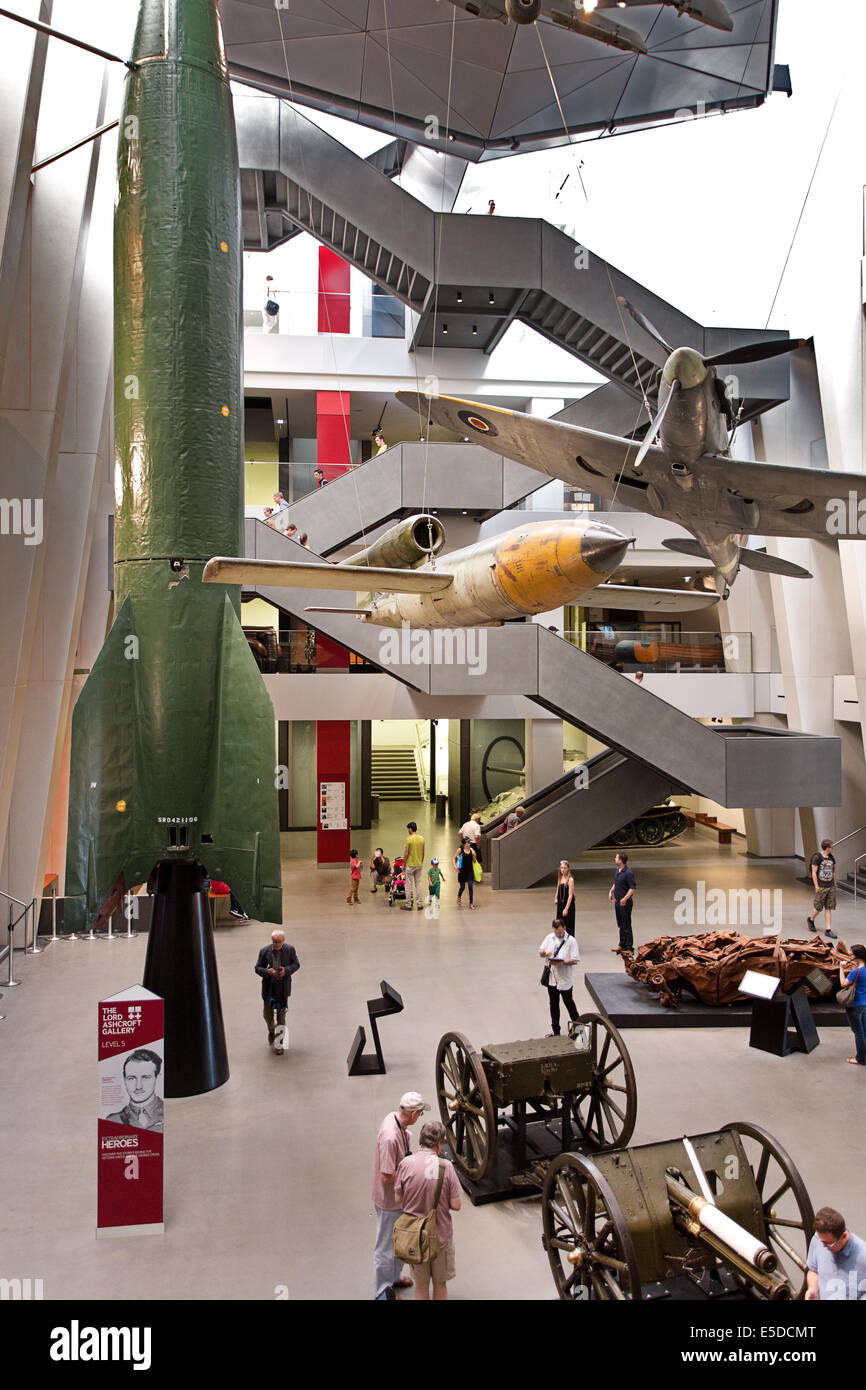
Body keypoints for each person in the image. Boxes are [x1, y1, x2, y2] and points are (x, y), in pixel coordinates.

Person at [394, 1119, 462, 1301]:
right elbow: (456, 1205)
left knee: (421, 1287)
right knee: (440, 1284)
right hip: (440, 1236)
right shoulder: (445, 1167)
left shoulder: (406, 1164)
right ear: (439, 1144)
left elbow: (398, 1200)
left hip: (415, 1238)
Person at [371, 1092, 430, 1300]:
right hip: (389, 1200)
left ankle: (394, 1277)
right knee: (386, 1245)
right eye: (420, 1113)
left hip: (399, 1198)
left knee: (399, 1240)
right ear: (413, 1114)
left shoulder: (395, 1121)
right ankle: (382, 1291)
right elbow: (386, 1176)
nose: (419, 1117)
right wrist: (410, 1171)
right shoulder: (390, 1137)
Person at [254, 929, 300, 1054]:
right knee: (267, 1015)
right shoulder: (264, 952)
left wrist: (286, 970)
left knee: (281, 1018)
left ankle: (279, 1044)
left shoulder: (290, 950)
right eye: (274, 942)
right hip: (269, 991)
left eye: (279, 942)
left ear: (283, 941)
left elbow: (296, 964)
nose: (276, 944)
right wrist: (266, 972)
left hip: (282, 991)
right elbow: (257, 968)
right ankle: (271, 1030)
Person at [806, 1207, 866, 1299]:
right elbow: (814, 1270)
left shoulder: (863, 1255)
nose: (823, 1246)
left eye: (829, 1243)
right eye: (821, 1241)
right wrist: (813, 1289)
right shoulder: (818, 1240)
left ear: (844, 1236)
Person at [539, 918, 580, 1036]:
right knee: (553, 1004)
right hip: (552, 979)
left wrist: (562, 962)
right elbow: (540, 952)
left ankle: (580, 1032)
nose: (558, 934)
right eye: (556, 932)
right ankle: (556, 1032)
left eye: (561, 932)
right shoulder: (549, 938)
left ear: (565, 928)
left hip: (565, 979)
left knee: (569, 1004)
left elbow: (575, 959)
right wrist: (545, 953)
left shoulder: (571, 941)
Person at [105, 1049, 164, 1131]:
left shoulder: (171, 1111)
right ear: (124, 1080)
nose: (138, 1086)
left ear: (158, 1079)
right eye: (131, 1078)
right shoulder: (112, 1121)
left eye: (145, 1077)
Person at [840, 943, 866, 1066]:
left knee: (858, 1032)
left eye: (850, 954)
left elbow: (844, 984)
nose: (849, 955)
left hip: (855, 1005)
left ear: (856, 956)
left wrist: (841, 968)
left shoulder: (856, 972)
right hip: (865, 1004)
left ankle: (861, 1059)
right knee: (864, 1031)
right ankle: (862, 1055)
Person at [807, 838, 838, 938]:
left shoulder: (831, 858)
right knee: (818, 907)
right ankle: (811, 919)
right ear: (827, 848)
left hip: (830, 886)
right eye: (831, 847)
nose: (832, 849)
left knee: (828, 907)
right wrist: (816, 885)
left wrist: (834, 884)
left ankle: (828, 929)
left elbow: (833, 872)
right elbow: (814, 872)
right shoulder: (817, 857)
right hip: (821, 886)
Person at [609, 851, 636, 951]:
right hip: (617, 902)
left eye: (616, 858)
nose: (614, 859)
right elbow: (616, 882)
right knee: (621, 924)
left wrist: (624, 899)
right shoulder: (618, 869)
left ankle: (629, 947)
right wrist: (611, 891)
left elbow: (632, 888)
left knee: (626, 925)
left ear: (620, 860)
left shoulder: (628, 873)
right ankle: (622, 944)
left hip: (625, 903)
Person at [401, 821, 425, 911]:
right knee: (418, 884)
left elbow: (406, 853)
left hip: (410, 865)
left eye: (408, 829)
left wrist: (404, 864)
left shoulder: (409, 839)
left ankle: (408, 905)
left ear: (410, 829)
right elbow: (423, 853)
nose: (408, 830)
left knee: (409, 885)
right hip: (419, 864)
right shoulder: (422, 839)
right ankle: (419, 904)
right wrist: (420, 862)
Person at [453, 837, 477, 909]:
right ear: (464, 843)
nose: (469, 843)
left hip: (470, 871)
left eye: (470, 842)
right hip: (462, 871)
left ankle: (471, 903)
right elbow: (454, 858)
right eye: (468, 842)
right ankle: (459, 896)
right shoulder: (460, 850)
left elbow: (474, 860)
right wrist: (455, 867)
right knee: (462, 887)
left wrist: (474, 854)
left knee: (470, 886)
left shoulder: (471, 850)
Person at [554, 859, 576, 937]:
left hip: (567, 904)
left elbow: (570, 895)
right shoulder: (560, 877)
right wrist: (556, 898)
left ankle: (569, 941)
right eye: (561, 868)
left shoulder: (570, 880)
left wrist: (566, 908)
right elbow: (558, 887)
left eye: (564, 868)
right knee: (559, 922)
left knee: (568, 923)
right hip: (561, 902)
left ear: (568, 869)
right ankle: (560, 938)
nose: (562, 870)